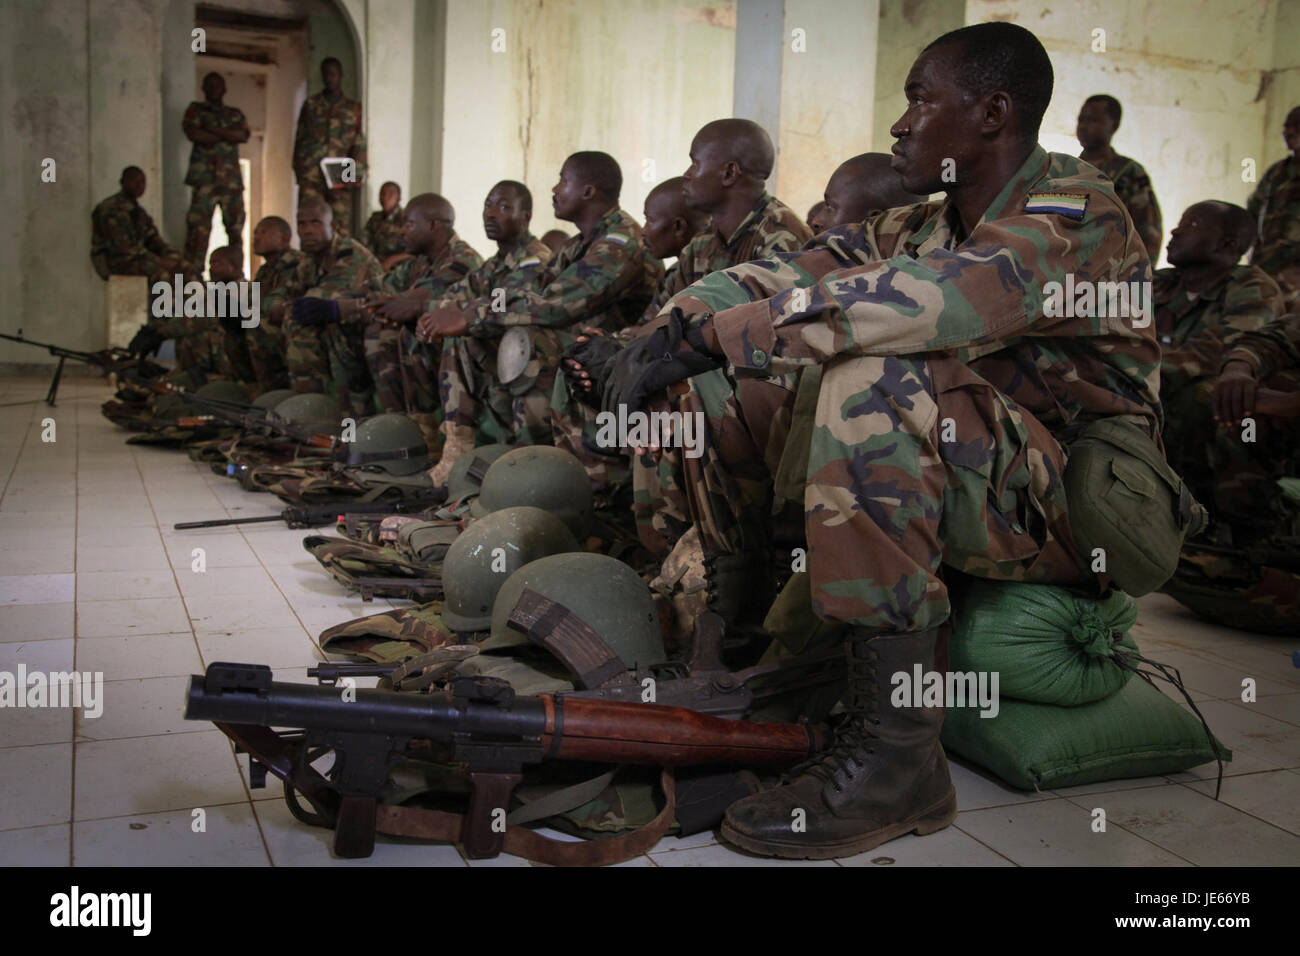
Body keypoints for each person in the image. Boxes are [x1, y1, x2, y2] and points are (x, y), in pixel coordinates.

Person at [608, 21, 1158, 858]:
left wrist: (723, 333)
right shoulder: (921, 223)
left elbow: (936, 300)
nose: (900, 125)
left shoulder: (1078, 212)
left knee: (869, 375)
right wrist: (669, 329)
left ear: (991, 112)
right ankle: (746, 630)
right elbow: (795, 271)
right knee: (718, 376)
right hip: (984, 472)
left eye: (918, 99)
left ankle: (900, 755)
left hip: (1079, 503)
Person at [416, 152, 659, 485]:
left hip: (615, 356)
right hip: (581, 348)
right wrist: (455, 316)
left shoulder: (621, 242)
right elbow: (528, 290)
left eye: (563, 180)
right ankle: (460, 447)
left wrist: (469, 314)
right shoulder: (579, 245)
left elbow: (556, 305)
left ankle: (536, 468)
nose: (555, 189)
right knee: (470, 335)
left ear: (587, 192)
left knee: (527, 341)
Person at [1156, 200, 1290, 543]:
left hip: (1219, 400)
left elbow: (1219, 349)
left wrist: (1136, 375)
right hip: (1152, 387)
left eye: (1194, 225)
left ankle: (1223, 529)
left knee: (1200, 398)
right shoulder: (1157, 284)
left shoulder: (1252, 286)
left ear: (1227, 245)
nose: (1175, 231)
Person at [414, 181, 553, 457]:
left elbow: (504, 303)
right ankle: (426, 432)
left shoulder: (535, 260)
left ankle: (458, 449)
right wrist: (432, 316)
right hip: (499, 350)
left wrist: (456, 315)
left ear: (525, 216)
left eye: (503, 207)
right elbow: (457, 295)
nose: (490, 214)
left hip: (530, 356)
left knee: (460, 334)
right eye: (487, 205)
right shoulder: (494, 264)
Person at [360, 193, 483, 445]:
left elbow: (414, 301)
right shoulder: (419, 262)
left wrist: (394, 307)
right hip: (433, 342)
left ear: (433, 225)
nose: (401, 232)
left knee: (402, 331)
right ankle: (398, 425)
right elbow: (378, 288)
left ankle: (423, 433)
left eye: (409, 224)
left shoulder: (461, 260)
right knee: (378, 328)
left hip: (464, 348)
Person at [283, 197, 383, 415]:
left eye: (316, 223)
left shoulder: (351, 255)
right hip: (341, 330)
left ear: (334, 226)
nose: (308, 230)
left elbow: (316, 303)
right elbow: (279, 297)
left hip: (368, 330)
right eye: (302, 224)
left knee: (301, 323)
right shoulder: (310, 262)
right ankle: (305, 406)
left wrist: (290, 306)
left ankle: (316, 412)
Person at [1077, 93, 1163, 261]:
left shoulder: (1129, 173)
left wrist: (1140, 278)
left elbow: (1148, 231)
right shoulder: (1066, 169)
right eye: (1081, 119)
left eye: (1094, 120)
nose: (1084, 126)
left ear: (1114, 126)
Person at [182, 72, 250, 274]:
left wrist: (212, 130)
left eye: (217, 85)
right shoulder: (196, 110)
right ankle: (193, 277)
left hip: (231, 183)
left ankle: (235, 274)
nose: (214, 89)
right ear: (203, 89)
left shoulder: (234, 113)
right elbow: (194, 133)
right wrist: (226, 135)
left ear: (224, 89)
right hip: (204, 181)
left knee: (235, 230)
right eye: (209, 85)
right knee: (198, 231)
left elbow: (243, 135)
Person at [293, 57, 367, 236]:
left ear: (340, 76)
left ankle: (340, 262)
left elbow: (359, 144)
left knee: (340, 223)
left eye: (333, 74)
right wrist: (299, 171)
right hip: (311, 173)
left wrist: (354, 175)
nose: (329, 78)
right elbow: (300, 138)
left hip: (340, 172)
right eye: (326, 74)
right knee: (309, 219)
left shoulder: (352, 108)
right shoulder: (311, 105)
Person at [247, 216, 315, 391]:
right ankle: (252, 386)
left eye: (263, 232)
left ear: (284, 239)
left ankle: (277, 390)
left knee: (257, 327)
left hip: (297, 323)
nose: (257, 237)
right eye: (255, 233)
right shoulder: (264, 271)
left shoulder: (298, 263)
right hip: (275, 323)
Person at [91, 166, 183, 284]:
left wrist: (172, 255)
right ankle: (166, 302)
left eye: (142, 182)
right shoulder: (110, 209)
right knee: (161, 274)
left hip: (138, 259)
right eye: (134, 180)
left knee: (185, 269)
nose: (139, 185)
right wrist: (159, 261)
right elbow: (123, 247)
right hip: (113, 261)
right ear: (122, 182)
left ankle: (199, 302)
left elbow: (154, 240)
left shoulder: (139, 212)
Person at [1247, 105, 1300, 307]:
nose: (1289, 132)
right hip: (1266, 276)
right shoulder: (1277, 172)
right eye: (1287, 126)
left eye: (1297, 126)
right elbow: (1252, 214)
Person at [365, 181, 410, 268]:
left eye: (390, 195)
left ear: (398, 198)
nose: (385, 198)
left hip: (399, 270)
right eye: (382, 194)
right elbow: (363, 241)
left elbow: (417, 251)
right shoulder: (375, 218)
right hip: (374, 267)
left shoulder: (407, 219)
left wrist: (392, 260)